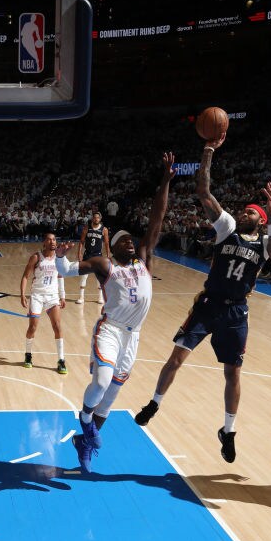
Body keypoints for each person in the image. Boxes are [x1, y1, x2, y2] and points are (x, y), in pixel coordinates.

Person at [134, 134, 271, 463]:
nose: (245, 214)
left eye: (251, 213)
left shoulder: (265, 239)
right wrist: (208, 150)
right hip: (208, 305)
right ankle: (154, 403)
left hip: (236, 313)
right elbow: (203, 191)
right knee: (176, 358)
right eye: (244, 211)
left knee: (233, 373)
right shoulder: (227, 227)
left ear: (260, 219)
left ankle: (228, 430)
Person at [53, 152, 176, 472]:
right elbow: (67, 271)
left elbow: (157, 219)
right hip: (110, 329)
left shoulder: (144, 260)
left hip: (133, 337)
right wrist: (59, 258)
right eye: (125, 242)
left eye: (133, 241)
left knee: (111, 397)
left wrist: (165, 180)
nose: (132, 244)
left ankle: (85, 440)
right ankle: (84, 420)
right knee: (103, 378)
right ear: (116, 246)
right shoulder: (104, 265)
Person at [20, 233, 67, 373]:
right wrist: (22, 294)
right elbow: (25, 276)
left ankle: (61, 360)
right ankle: (28, 355)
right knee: (33, 327)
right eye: (49, 239)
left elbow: (60, 276)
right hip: (37, 295)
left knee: (57, 326)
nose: (52, 241)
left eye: (54, 239)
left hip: (52, 296)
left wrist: (62, 296)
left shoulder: (59, 258)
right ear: (44, 242)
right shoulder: (36, 257)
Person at [76, 211, 110, 304]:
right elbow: (82, 241)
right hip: (87, 254)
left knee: (99, 278)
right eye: (94, 217)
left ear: (100, 219)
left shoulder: (104, 229)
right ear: (92, 218)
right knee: (83, 276)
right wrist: (79, 253)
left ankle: (100, 297)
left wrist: (108, 255)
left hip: (98, 255)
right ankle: (81, 297)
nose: (96, 219)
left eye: (97, 218)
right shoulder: (87, 228)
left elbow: (106, 243)